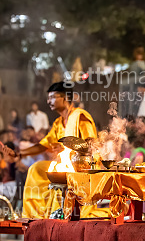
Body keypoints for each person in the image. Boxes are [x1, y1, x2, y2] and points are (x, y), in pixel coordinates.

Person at [12, 82, 97, 218]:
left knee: (60, 175)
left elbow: (91, 144)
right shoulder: (58, 123)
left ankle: (61, 214)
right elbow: (43, 145)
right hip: (65, 165)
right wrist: (19, 153)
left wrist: (66, 148)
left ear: (65, 98)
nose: (48, 101)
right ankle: (34, 215)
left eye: (52, 97)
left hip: (83, 168)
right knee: (36, 168)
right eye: (48, 98)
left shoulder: (80, 117)